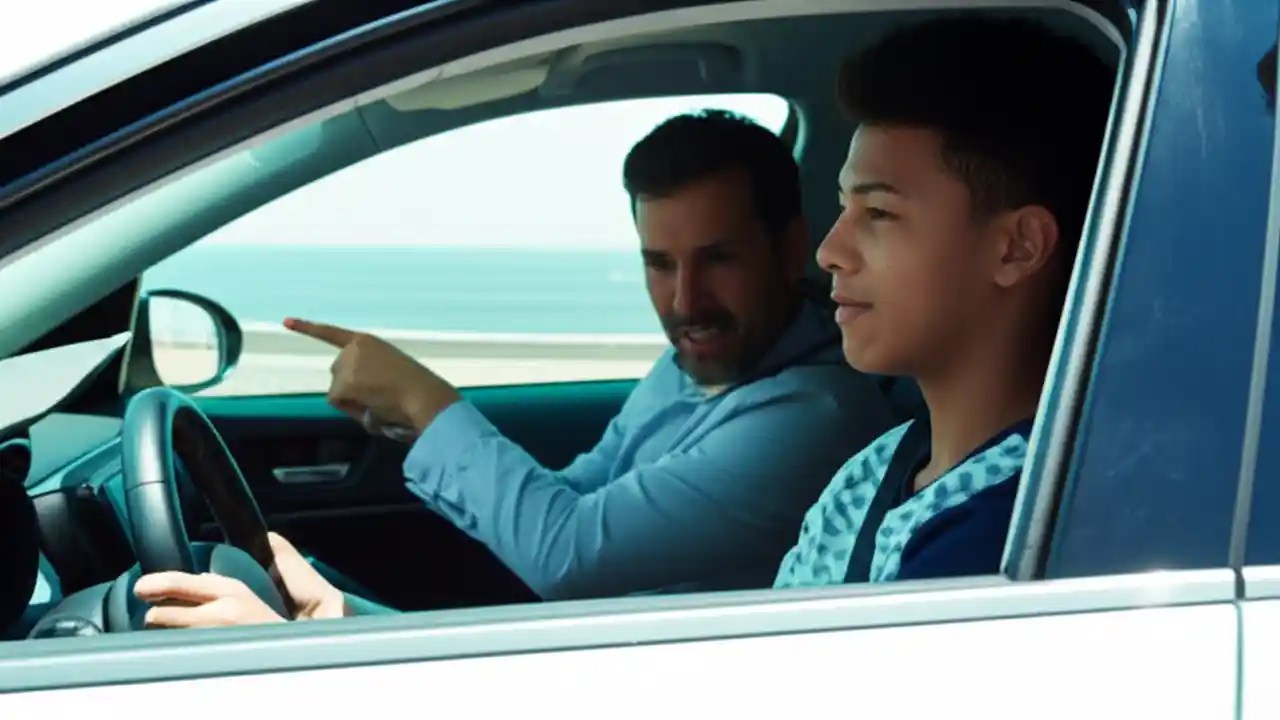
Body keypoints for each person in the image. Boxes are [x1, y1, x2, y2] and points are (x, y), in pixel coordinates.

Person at [134, 111, 899, 625]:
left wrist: (431, 403)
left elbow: (567, 554)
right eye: (657, 264)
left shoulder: (814, 416)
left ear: (792, 246)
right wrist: (337, 616)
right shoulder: (701, 362)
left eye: (717, 259)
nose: (684, 299)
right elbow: (572, 494)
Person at [774, 15, 1114, 587]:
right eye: (843, 208)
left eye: (879, 213)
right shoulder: (875, 472)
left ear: (1016, 248)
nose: (830, 251)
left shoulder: (1022, 528)